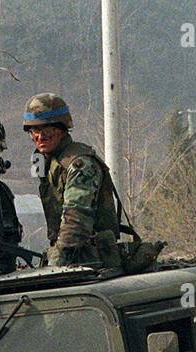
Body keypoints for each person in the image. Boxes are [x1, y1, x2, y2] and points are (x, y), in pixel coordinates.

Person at [23, 93, 120, 269]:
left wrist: (54, 267)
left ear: (61, 129)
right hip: (74, 262)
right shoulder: (49, 163)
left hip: (94, 264)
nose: (40, 137)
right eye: (34, 131)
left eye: (46, 130)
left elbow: (76, 223)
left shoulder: (79, 164)